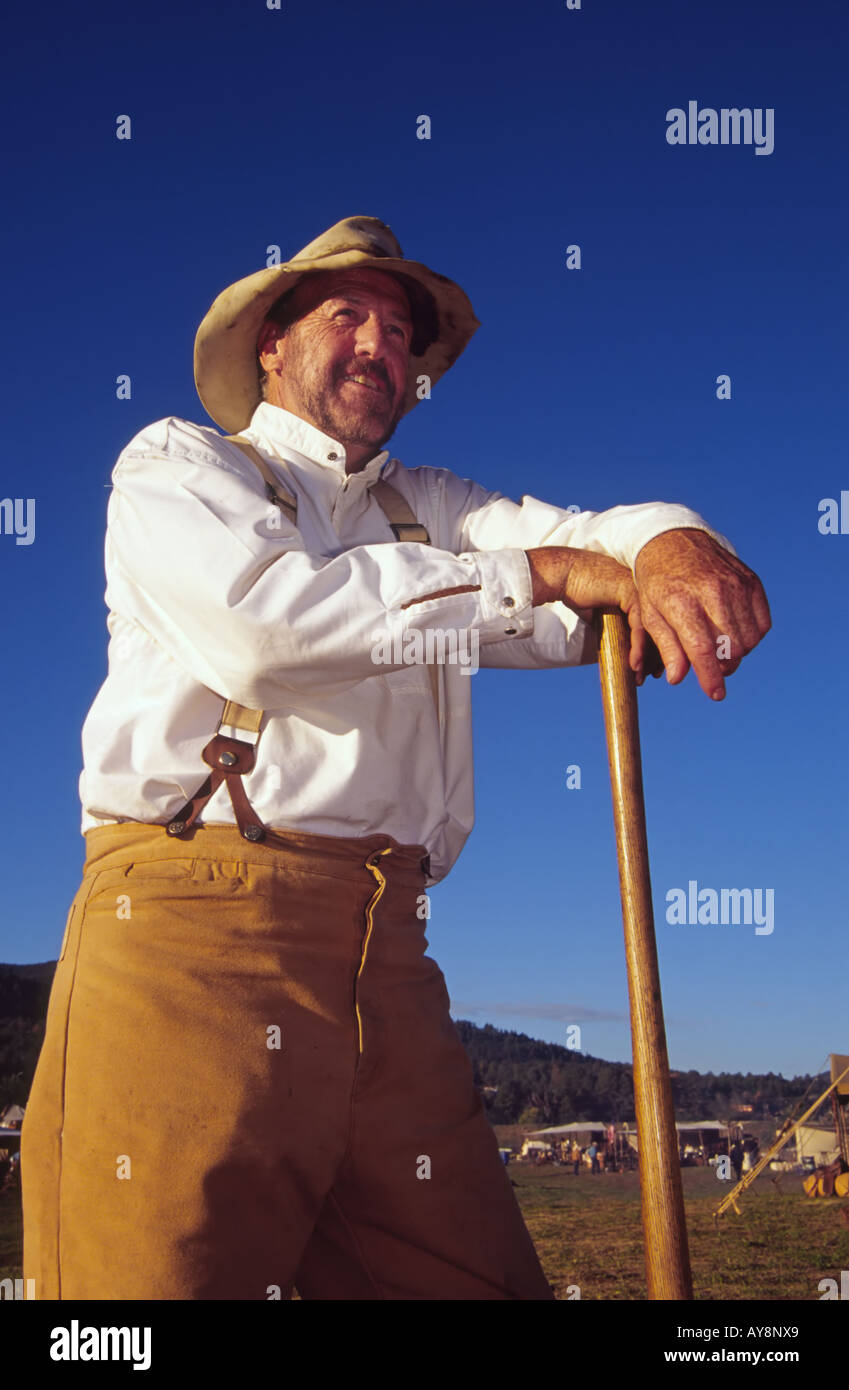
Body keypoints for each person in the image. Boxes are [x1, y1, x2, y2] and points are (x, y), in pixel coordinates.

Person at [21, 215, 770, 1302]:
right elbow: (265, 631)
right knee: (146, 1292)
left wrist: (667, 546)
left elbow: (593, 552)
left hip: (394, 959)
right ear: (270, 344)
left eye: (401, 329)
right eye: (349, 315)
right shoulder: (179, 465)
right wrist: (540, 576)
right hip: (191, 939)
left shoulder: (434, 510)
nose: (383, 343)